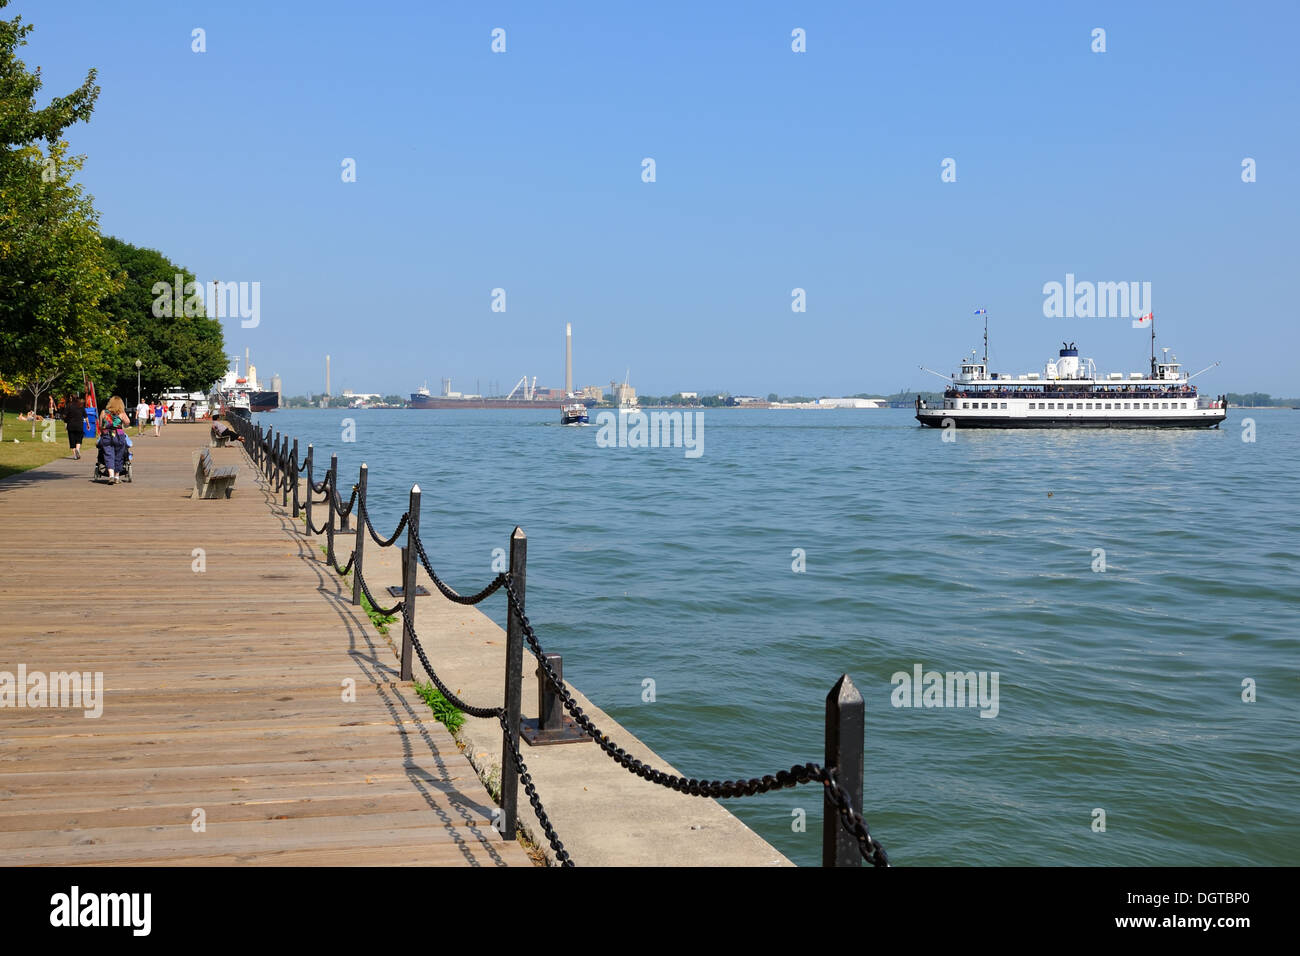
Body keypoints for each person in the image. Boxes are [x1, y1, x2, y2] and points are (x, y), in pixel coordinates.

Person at [98, 396, 129, 483]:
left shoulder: (104, 412)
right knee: (119, 456)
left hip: (106, 435)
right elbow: (127, 422)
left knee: (108, 455)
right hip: (119, 436)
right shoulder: (122, 413)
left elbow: (100, 425)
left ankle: (110, 475)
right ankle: (116, 477)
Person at [63, 391, 85, 460]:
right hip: (79, 425)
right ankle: (78, 449)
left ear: (72, 398)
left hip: (71, 425)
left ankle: (75, 455)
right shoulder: (81, 405)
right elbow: (85, 415)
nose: (70, 398)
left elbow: (64, 415)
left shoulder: (69, 405)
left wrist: (65, 421)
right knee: (79, 439)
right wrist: (87, 424)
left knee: (72, 441)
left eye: (70, 397)